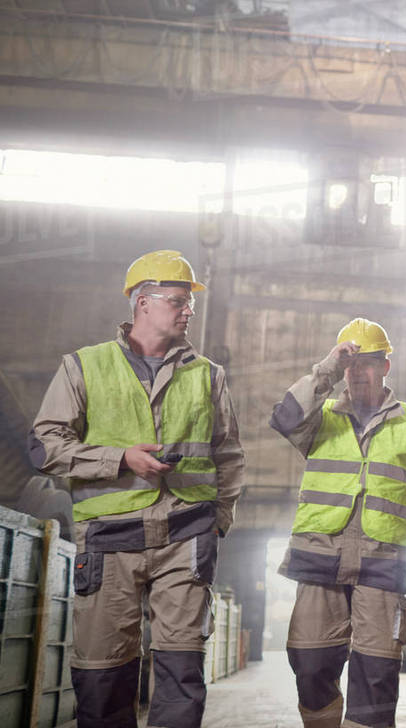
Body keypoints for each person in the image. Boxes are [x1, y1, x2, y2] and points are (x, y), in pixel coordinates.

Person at [29, 249, 245, 728]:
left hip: (186, 536)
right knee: (102, 673)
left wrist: (218, 522)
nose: (189, 310)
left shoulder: (208, 375)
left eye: (190, 302)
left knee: (182, 671)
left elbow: (228, 456)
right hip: (109, 540)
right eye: (179, 300)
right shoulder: (84, 366)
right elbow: (45, 447)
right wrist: (119, 459)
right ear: (143, 303)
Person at [270, 317, 406, 728]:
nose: (357, 373)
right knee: (311, 666)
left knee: (377, 676)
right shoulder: (321, 417)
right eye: (350, 364)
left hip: (382, 565)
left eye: (367, 362)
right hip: (319, 560)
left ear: (386, 367)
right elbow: (284, 417)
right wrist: (328, 367)